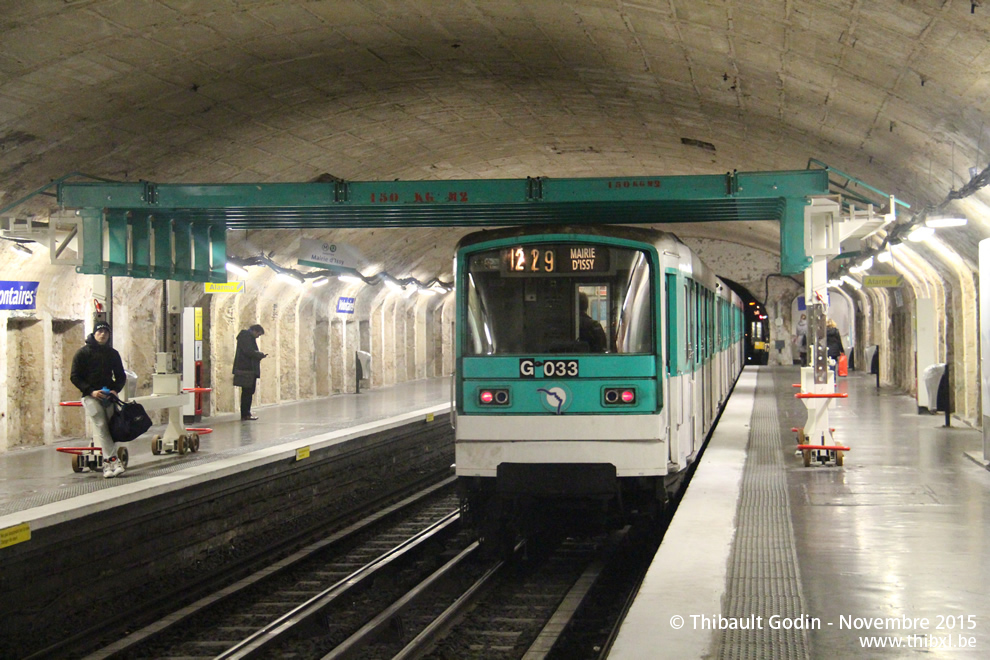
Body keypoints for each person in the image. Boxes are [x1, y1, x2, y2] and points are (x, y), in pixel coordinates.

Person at [70, 321, 127, 478]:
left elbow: (121, 376)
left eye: (106, 332)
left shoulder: (112, 354)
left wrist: (115, 390)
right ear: (94, 334)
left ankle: (110, 464)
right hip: (91, 397)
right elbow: (74, 376)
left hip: (108, 396)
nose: (102, 334)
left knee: (109, 427)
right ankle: (111, 462)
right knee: (101, 425)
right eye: (100, 331)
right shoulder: (82, 353)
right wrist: (91, 391)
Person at [233, 324, 267, 420]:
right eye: (258, 335)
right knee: (247, 392)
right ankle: (245, 414)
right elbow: (249, 352)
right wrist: (259, 355)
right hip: (247, 370)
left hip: (248, 369)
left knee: (248, 392)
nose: (258, 337)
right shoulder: (246, 337)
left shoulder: (247, 337)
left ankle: (246, 413)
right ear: (254, 331)